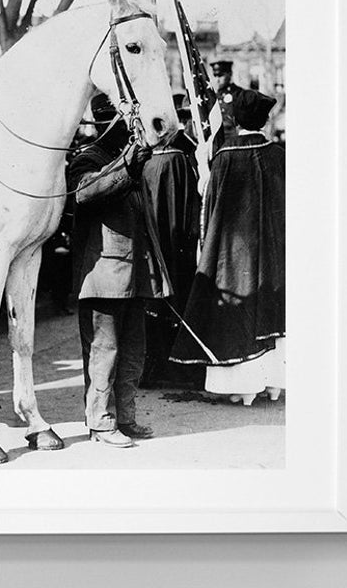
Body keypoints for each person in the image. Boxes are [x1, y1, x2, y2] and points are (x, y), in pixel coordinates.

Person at [169, 88, 286, 404]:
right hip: (273, 251)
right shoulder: (278, 155)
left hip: (233, 253)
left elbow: (209, 203)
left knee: (237, 311)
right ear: (265, 119)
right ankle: (274, 384)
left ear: (236, 120)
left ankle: (244, 386)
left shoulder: (224, 156)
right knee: (272, 308)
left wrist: (202, 169)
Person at [67, 94, 165, 447]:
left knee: (133, 353)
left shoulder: (127, 158)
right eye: (123, 121)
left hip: (133, 275)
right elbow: (85, 192)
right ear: (108, 122)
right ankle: (101, 422)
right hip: (103, 276)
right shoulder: (88, 159)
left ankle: (125, 417)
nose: (130, 128)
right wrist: (127, 162)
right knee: (104, 353)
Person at [139, 94, 203, 387]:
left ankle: (152, 368)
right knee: (177, 300)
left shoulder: (148, 162)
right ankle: (176, 369)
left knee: (154, 306)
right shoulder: (178, 160)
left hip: (154, 247)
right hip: (177, 248)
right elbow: (189, 209)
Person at [210, 59, 240, 136]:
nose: (217, 80)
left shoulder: (238, 94)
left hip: (233, 135)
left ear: (230, 74)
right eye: (215, 76)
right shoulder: (212, 95)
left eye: (220, 76)